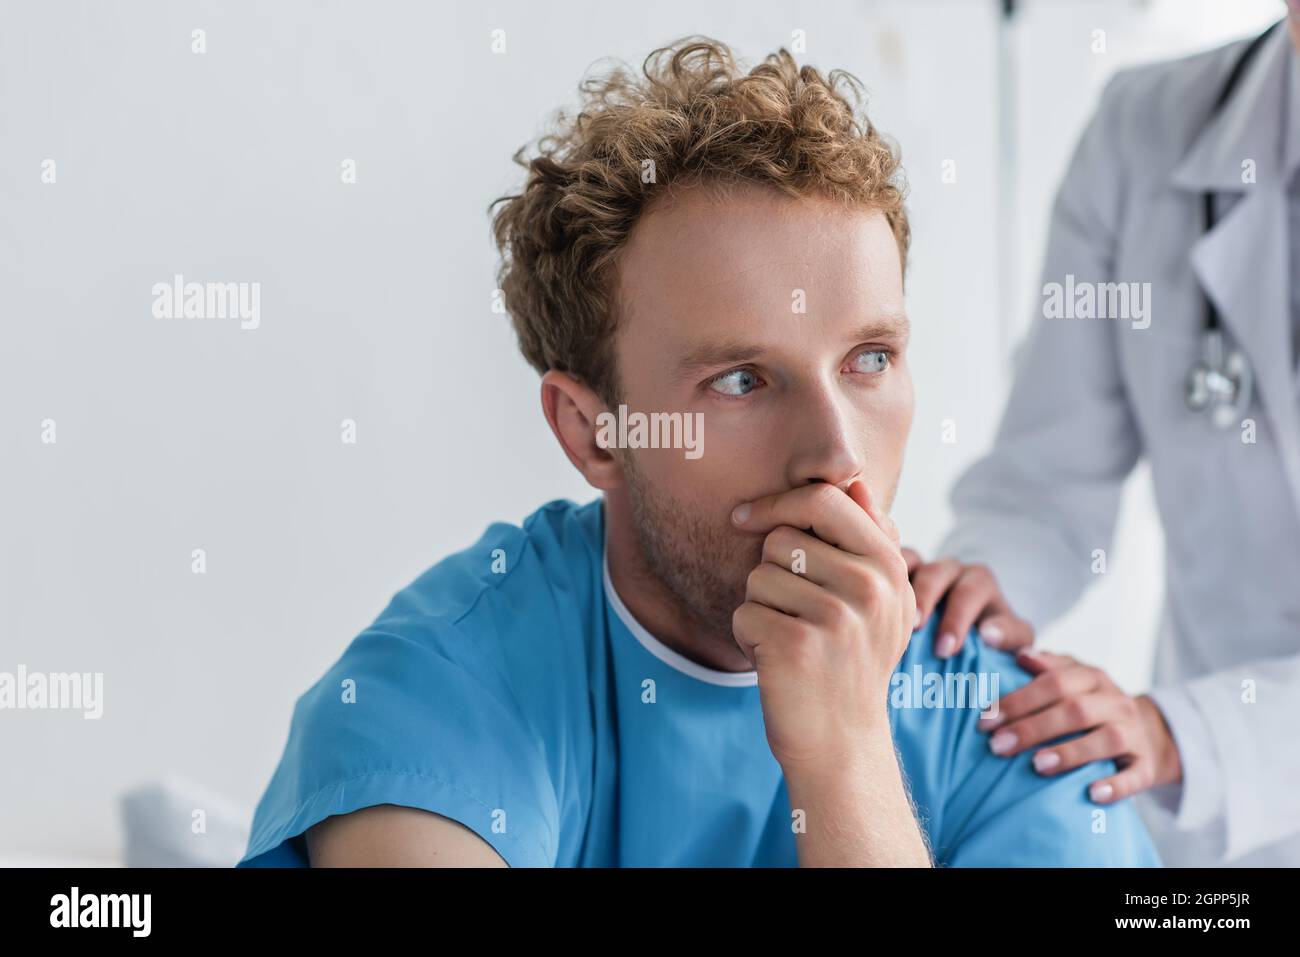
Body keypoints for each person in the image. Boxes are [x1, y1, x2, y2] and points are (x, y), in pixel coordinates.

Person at [236, 38, 1159, 867]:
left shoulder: (1022, 727)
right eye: (742, 380)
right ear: (591, 431)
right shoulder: (441, 690)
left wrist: (848, 757)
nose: (836, 455)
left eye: (870, 359)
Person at [909, 9, 1300, 867]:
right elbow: (1046, 483)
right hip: (1207, 850)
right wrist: (976, 599)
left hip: (1197, 753)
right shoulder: (1145, 132)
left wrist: (1183, 734)